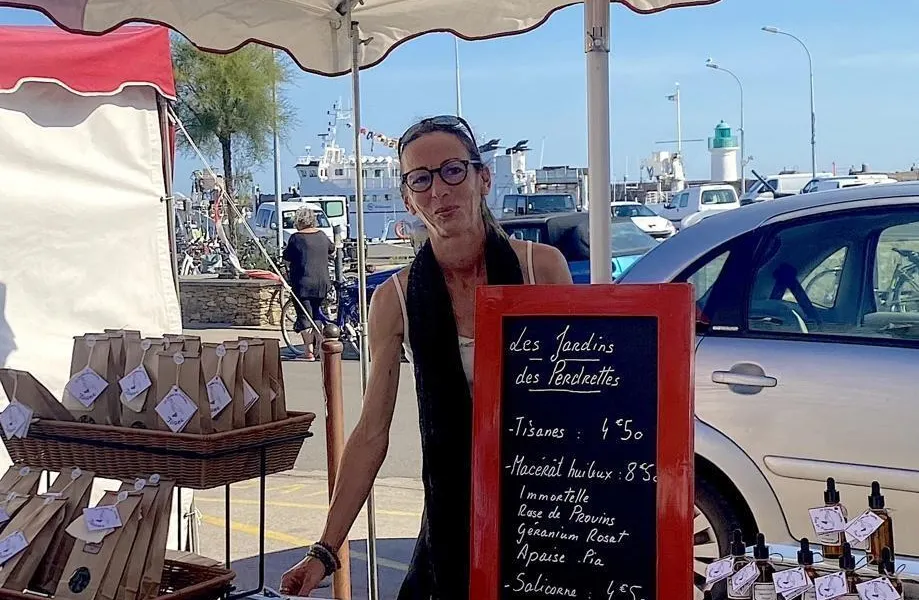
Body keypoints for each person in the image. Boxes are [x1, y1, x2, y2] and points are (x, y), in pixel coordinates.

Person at [279, 116, 572, 599]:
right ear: (408, 196)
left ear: (483, 178)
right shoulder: (394, 298)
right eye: (422, 178)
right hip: (451, 526)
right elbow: (372, 431)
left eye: (453, 170)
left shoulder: (540, 269)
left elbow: (592, 391)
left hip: (550, 517)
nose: (439, 189)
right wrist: (325, 550)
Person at [282, 207, 334, 361]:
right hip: (322, 282)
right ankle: (320, 347)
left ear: (298, 221)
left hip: (303, 283)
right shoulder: (322, 235)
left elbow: (287, 256)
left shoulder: (296, 238)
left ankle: (308, 351)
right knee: (317, 314)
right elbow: (332, 249)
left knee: (305, 316)